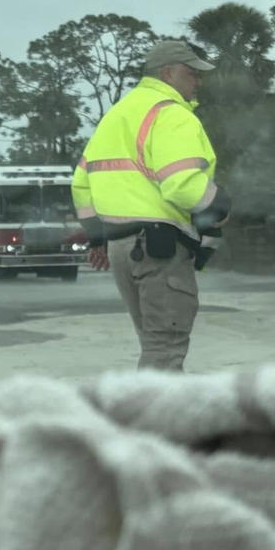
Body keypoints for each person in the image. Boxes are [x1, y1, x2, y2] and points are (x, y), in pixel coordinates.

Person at [71, 38, 231, 371]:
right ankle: (150, 420)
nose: (197, 81)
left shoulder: (117, 115)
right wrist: (219, 204)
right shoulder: (172, 116)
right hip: (159, 249)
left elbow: (81, 184)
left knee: (156, 345)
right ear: (168, 73)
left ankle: (163, 417)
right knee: (165, 349)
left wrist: (98, 238)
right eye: (191, 73)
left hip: (121, 248)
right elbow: (182, 185)